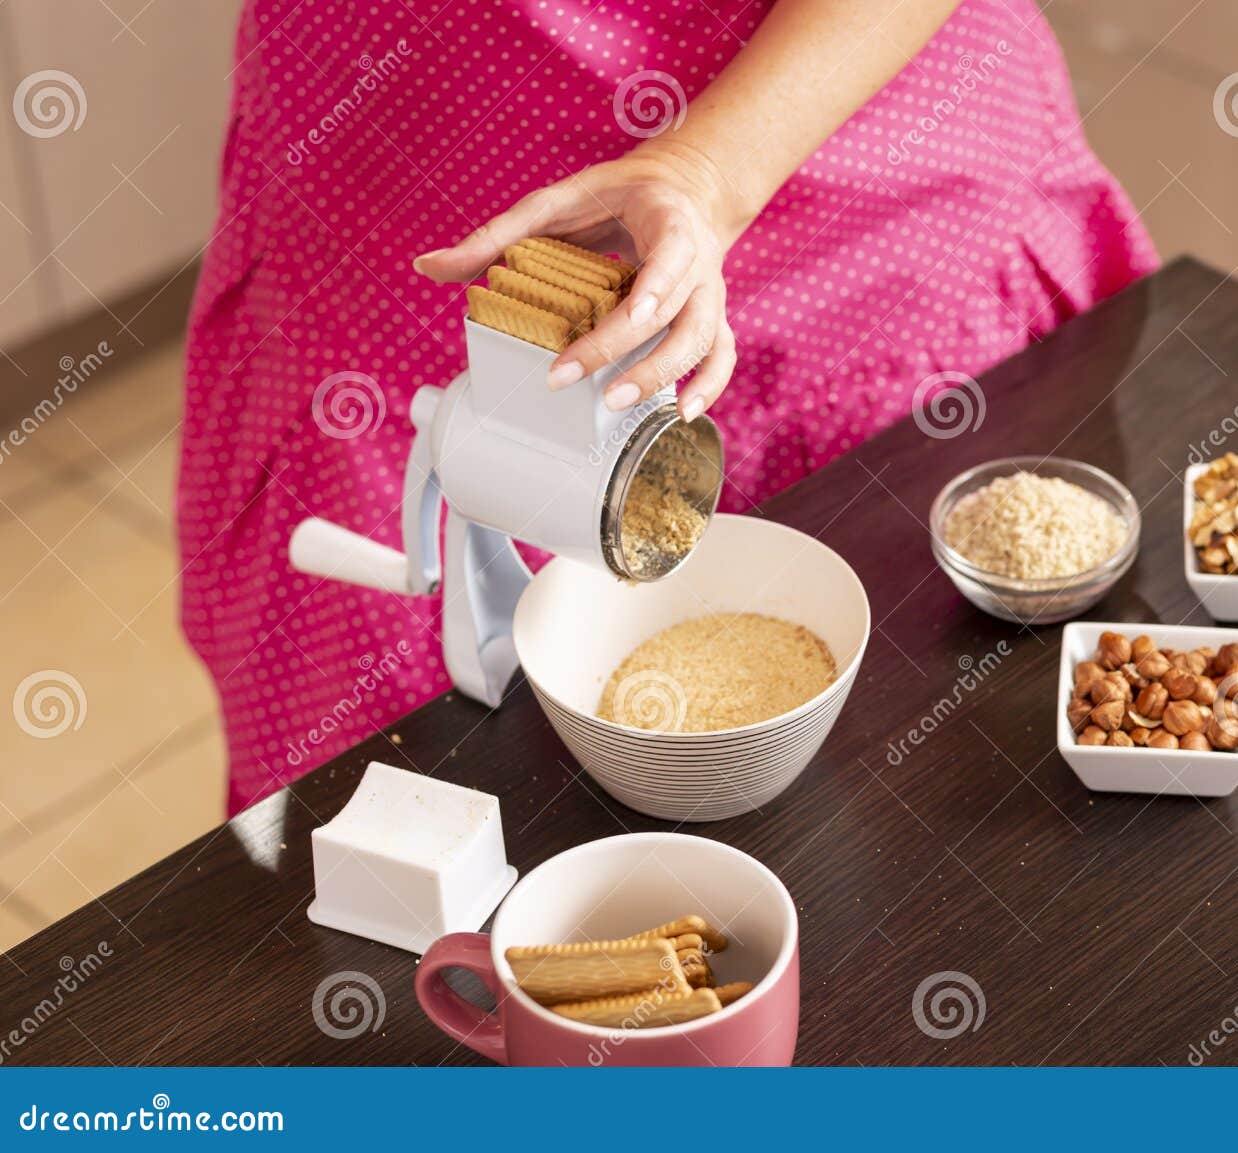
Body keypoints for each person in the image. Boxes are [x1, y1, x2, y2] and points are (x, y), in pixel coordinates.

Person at [181, 0, 1157, 813]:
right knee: (404, 831)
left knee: (928, 774)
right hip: (397, 205)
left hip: (868, 197)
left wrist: (703, 172)